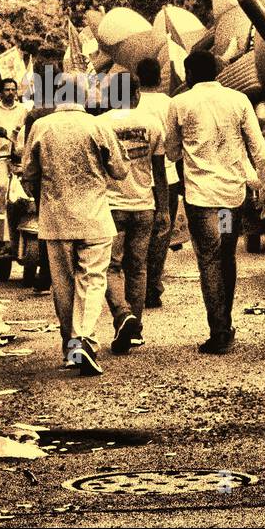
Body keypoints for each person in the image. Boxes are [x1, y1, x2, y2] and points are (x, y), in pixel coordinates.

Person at [165, 51, 265, 354]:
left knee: (209, 259)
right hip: (230, 198)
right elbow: (260, 150)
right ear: (216, 72)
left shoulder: (179, 104)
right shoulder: (238, 100)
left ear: (187, 75)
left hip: (201, 198)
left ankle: (220, 331)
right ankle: (225, 322)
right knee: (227, 255)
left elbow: (172, 152)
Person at [22, 70, 129, 375]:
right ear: (83, 95)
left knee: (63, 286)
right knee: (93, 279)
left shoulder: (41, 127)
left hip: (55, 219)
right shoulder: (97, 126)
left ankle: (71, 347)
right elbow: (119, 171)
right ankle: (84, 338)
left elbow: (28, 172)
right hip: (94, 216)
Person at [102, 71, 166, 352]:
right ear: (137, 94)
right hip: (144, 205)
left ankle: (122, 315)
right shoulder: (152, 124)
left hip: (111, 206)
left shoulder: (99, 125)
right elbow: (160, 170)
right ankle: (135, 327)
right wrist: (163, 207)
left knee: (110, 266)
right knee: (138, 267)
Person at [136, 57, 179, 309]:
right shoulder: (169, 103)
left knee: (138, 235)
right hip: (168, 177)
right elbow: (174, 140)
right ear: (160, 77)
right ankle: (152, 285)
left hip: (138, 177)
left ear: (138, 78)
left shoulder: (132, 102)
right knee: (161, 234)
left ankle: (137, 286)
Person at [0, 77, 29, 218]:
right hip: (0, 156)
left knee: (22, 192)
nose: (10, 92)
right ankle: (0, 220)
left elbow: (26, 133)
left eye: (13, 89)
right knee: (2, 186)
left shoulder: (23, 110)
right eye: (7, 89)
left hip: (19, 156)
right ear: (0, 92)